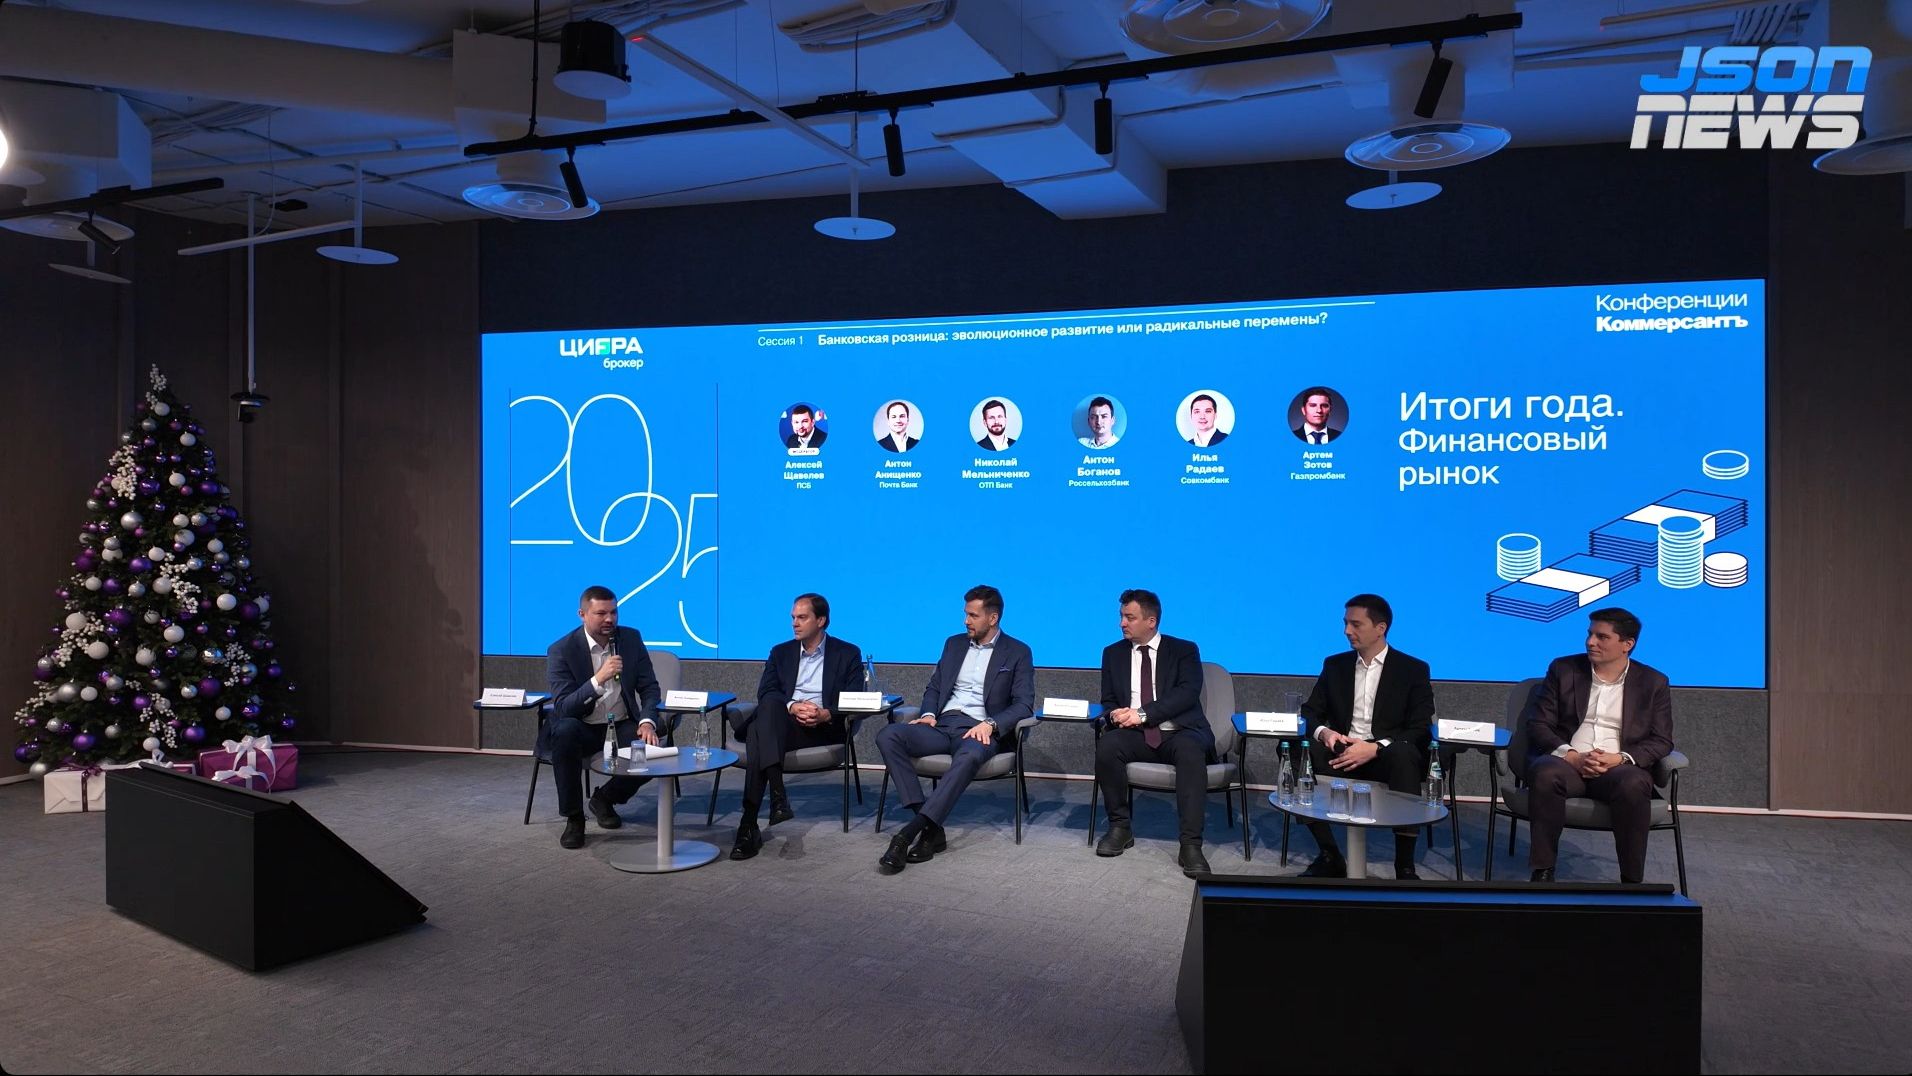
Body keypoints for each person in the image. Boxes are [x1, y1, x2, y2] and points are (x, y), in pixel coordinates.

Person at [873, 584, 1034, 872]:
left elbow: (1024, 705)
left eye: (973, 615)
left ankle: (906, 835)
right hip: (942, 724)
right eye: (966, 614)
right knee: (889, 735)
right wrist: (928, 714)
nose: (966, 621)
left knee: (970, 755)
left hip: (979, 729)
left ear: (993, 618)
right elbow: (935, 687)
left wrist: (991, 724)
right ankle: (930, 828)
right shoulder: (953, 644)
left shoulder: (1017, 651)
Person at [1523, 608, 1674, 884]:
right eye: (1590, 634)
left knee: (1634, 783)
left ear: (1627, 644)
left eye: (1602, 637)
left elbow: (1662, 740)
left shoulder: (1653, 682)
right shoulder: (1563, 669)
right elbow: (1539, 724)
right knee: (1545, 773)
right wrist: (1571, 756)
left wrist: (1620, 758)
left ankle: (1631, 882)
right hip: (1567, 762)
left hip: (1618, 767)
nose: (1590, 642)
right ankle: (1543, 872)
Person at [1297, 594, 1436, 879]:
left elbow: (1420, 726)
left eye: (1356, 624)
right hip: (1341, 751)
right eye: (1345, 623)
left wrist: (1375, 748)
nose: (1347, 631)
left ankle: (1404, 866)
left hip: (1385, 756)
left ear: (1380, 628)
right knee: (1295, 749)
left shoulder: (1413, 670)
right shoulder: (1335, 665)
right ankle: (1329, 854)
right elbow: (1310, 712)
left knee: (1404, 753)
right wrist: (1326, 733)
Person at [729, 593, 865, 860]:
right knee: (770, 706)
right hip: (785, 725)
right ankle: (773, 800)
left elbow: (854, 697)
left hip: (823, 728)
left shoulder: (848, 653)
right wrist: (792, 706)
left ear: (821, 620)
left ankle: (750, 822)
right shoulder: (780, 652)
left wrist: (825, 714)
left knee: (758, 732)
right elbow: (766, 691)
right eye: (793, 617)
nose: (795, 623)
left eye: (802, 617)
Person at [1092, 589, 1215, 877]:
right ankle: (1120, 827)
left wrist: (1144, 713)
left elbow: (1186, 694)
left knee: (1190, 752)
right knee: (1108, 746)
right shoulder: (1112, 653)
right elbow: (1108, 699)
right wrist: (1115, 714)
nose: (1122, 623)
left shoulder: (1184, 650)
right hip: (1135, 734)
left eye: (1129, 617)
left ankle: (1191, 844)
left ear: (1151, 621)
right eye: (1121, 616)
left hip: (1180, 731)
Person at [543, 585, 663, 849]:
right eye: (601, 613)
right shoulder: (561, 650)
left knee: (651, 753)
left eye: (614, 612)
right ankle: (574, 818)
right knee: (563, 733)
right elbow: (564, 707)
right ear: (582, 615)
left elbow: (649, 688)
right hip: (582, 727)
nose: (609, 619)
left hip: (620, 724)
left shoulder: (630, 639)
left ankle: (605, 799)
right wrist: (598, 680)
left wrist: (646, 721)